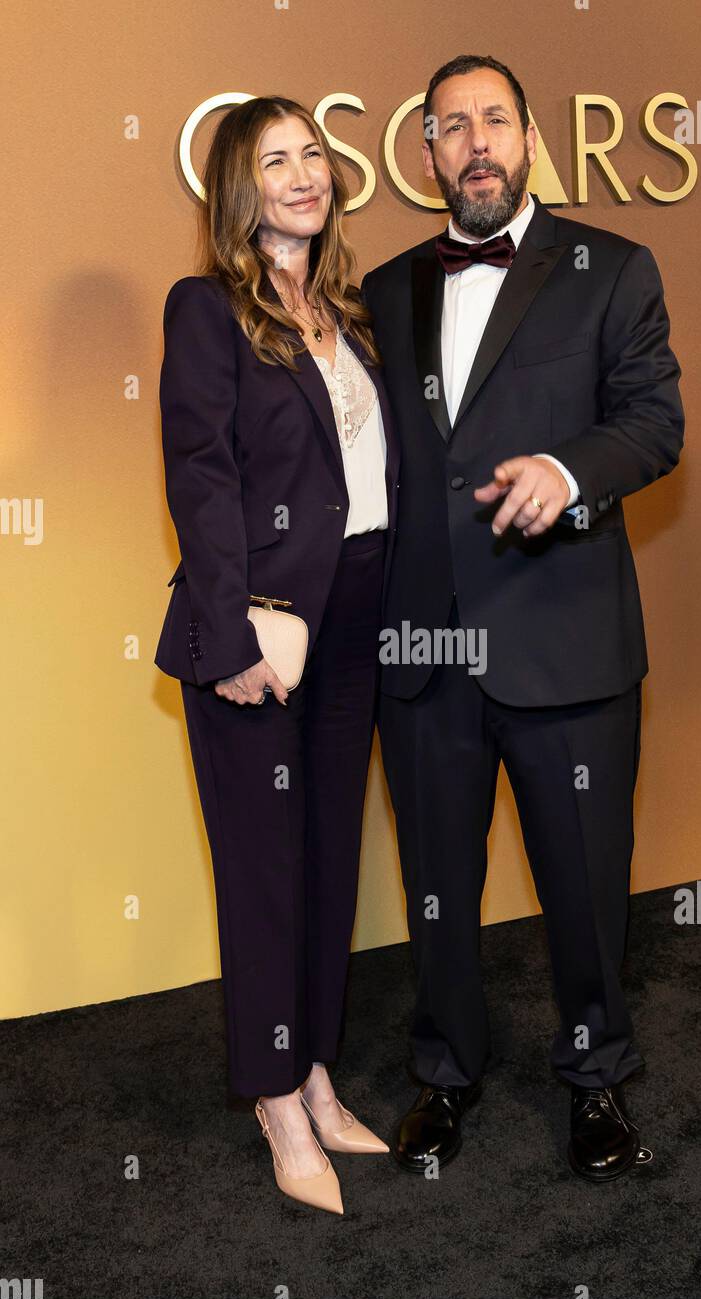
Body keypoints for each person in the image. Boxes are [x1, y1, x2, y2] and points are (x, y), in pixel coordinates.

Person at [361, 54, 685, 1182]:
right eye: (450, 126)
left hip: (565, 637)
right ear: (426, 154)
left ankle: (597, 1088)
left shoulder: (611, 267)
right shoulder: (385, 289)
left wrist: (565, 465)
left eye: (493, 118)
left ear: (530, 139)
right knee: (436, 883)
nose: (474, 141)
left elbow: (652, 421)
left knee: (585, 887)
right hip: (424, 648)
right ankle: (443, 1075)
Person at [155, 95, 400, 1213]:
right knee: (263, 867)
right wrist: (231, 634)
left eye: (313, 153)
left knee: (326, 856)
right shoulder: (207, 308)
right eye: (274, 160)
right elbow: (200, 479)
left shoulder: (350, 308)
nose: (303, 174)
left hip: (355, 618)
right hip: (259, 626)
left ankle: (313, 1064)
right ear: (236, 188)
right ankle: (271, 1093)